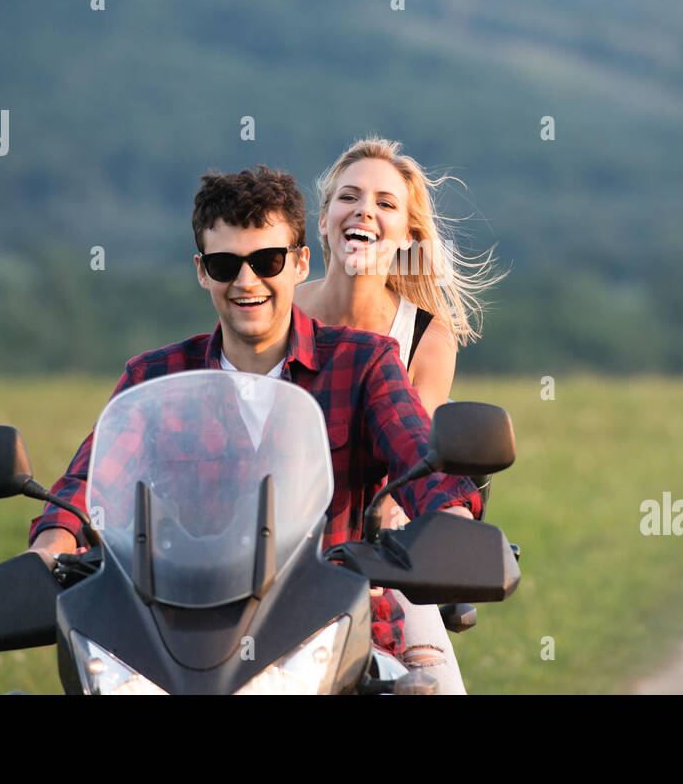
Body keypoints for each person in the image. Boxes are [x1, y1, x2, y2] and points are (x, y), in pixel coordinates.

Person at [26, 164, 481, 658]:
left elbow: (416, 450)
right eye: (225, 265)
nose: (246, 281)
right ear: (202, 271)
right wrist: (50, 548)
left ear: (301, 263)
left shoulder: (365, 363)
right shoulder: (154, 378)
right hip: (184, 644)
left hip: (337, 638)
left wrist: (452, 524)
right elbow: (91, 481)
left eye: (267, 260)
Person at [295, 137, 506, 692]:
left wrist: (418, 525)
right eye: (349, 196)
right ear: (323, 220)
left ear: (408, 236)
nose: (365, 209)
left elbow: (413, 442)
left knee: (430, 678)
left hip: (378, 544)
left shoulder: (425, 334)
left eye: (386, 203)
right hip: (278, 541)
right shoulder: (278, 309)